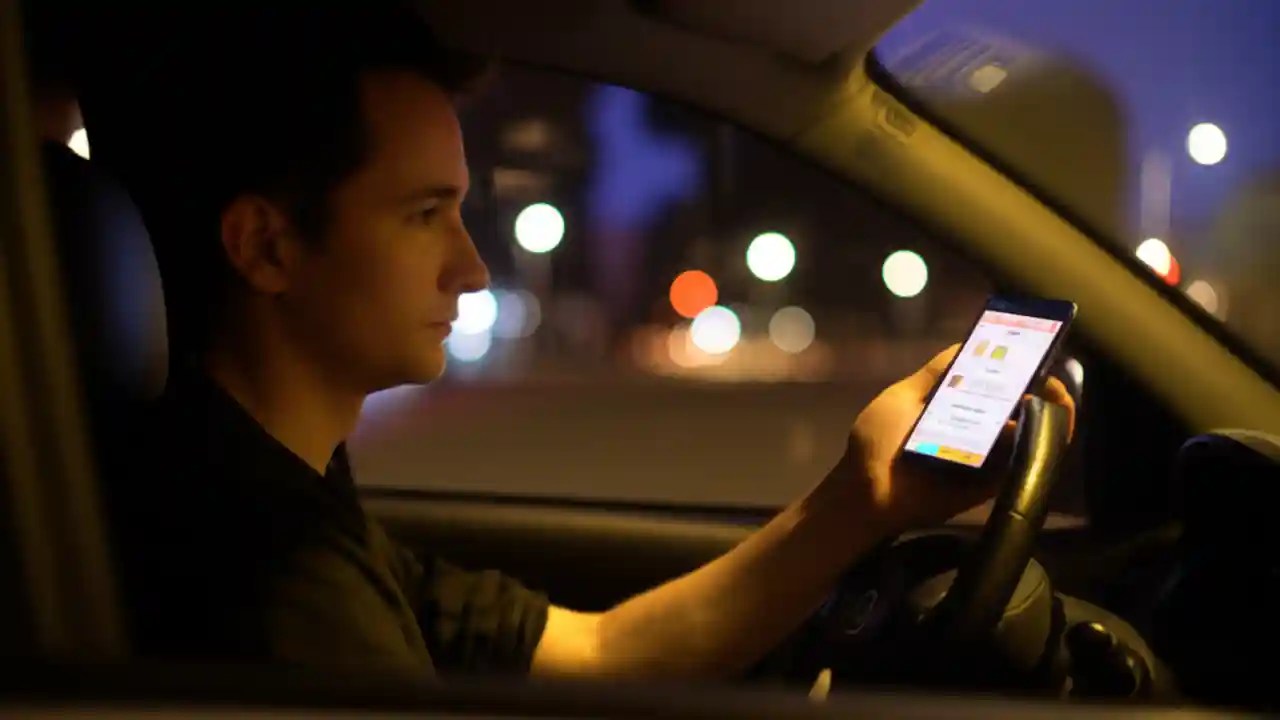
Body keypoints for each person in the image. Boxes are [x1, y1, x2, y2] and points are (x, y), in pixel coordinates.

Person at [104, 4, 1075, 678]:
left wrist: (859, 501)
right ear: (265, 244)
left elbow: (595, 652)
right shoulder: (271, 591)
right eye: (421, 215)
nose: (470, 269)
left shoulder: (298, 503)